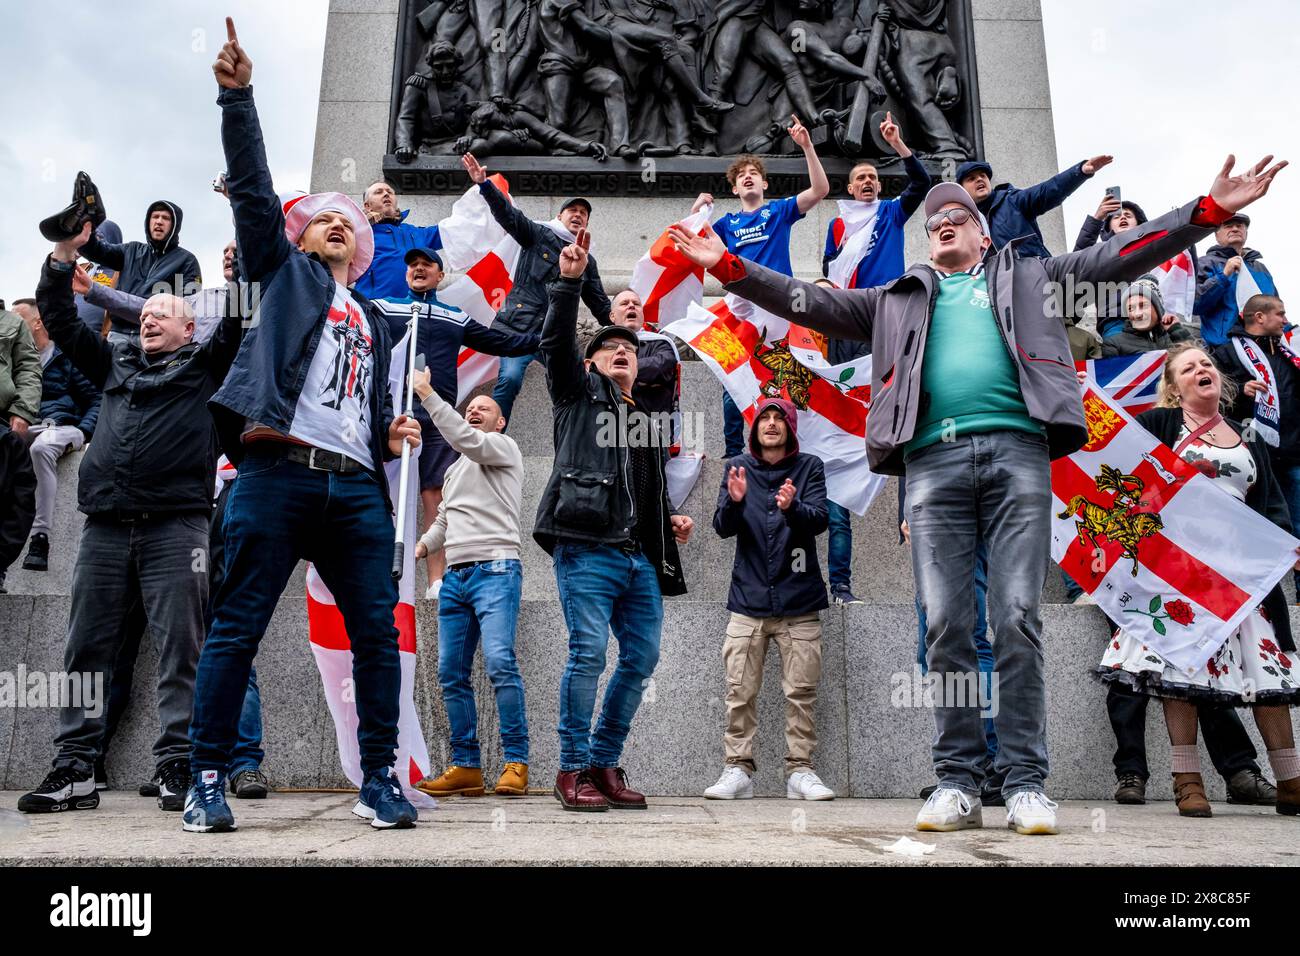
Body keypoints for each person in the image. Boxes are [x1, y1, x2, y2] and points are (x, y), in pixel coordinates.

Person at [670, 152, 1288, 836]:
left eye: (956, 215)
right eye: (933, 219)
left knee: (1017, 614)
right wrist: (728, 267)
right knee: (945, 625)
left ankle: (1026, 783)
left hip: (1018, 454)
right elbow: (807, 300)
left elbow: (1117, 256)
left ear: (984, 234)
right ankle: (958, 781)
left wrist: (1206, 212)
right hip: (932, 464)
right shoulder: (897, 298)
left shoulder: (1032, 277)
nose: (942, 223)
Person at [186, 18, 423, 834]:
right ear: (303, 236)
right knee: (237, 630)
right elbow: (254, 189)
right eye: (323, 217)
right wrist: (237, 95)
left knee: (378, 639)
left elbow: (375, 397)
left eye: (347, 223)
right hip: (275, 473)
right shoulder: (283, 275)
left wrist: (392, 433)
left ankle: (381, 779)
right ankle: (206, 777)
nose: (337, 224)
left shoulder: (379, 318)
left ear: (361, 250)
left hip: (354, 489)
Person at [15, 219, 243, 817]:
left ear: (189, 328)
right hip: (105, 527)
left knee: (181, 649)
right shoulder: (112, 363)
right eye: (144, 313)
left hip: (179, 528)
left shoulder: (206, 365)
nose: (148, 318)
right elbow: (60, 320)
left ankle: (177, 764)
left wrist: (239, 269)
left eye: (162, 313)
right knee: (85, 646)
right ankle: (74, 767)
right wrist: (64, 254)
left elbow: (241, 319)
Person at [1097, 342, 1300, 818]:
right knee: (1178, 677)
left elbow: (1271, 507)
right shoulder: (1157, 427)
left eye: (1206, 363)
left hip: (1239, 579)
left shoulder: (1249, 440)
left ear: (1219, 379)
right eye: (1188, 368)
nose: (1200, 369)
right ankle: (1187, 783)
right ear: (1173, 386)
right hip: (1175, 577)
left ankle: (1291, 781)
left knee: (1263, 678)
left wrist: (1287, 547)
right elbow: (1111, 463)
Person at [534, 227, 694, 812]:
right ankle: (570, 768)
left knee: (642, 658)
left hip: (638, 556)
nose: (623, 349)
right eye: (611, 346)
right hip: (586, 546)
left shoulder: (645, 419)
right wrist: (569, 282)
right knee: (587, 654)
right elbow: (554, 344)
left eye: (630, 345)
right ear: (593, 361)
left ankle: (604, 763)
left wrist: (669, 519)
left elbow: (644, 486)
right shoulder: (577, 393)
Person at [373, 246, 539, 598]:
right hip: (393, 413)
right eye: (413, 265)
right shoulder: (384, 307)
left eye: (426, 265)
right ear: (407, 275)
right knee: (380, 490)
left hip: (437, 416)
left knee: (436, 492)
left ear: (439, 274)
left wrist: (544, 341)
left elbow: (500, 342)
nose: (418, 269)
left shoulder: (455, 316)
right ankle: (373, 573)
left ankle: (436, 580)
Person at [820, 112, 929, 606]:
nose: (867, 183)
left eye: (872, 178)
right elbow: (829, 272)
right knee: (847, 414)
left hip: (887, 316)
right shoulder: (839, 224)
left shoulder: (890, 213)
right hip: (848, 320)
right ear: (848, 187)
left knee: (904, 417)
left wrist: (899, 145)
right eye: (859, 178)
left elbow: (922, 183)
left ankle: (910, 521)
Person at [704, 398, 834, 801]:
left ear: (790, 428)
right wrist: (736, 500)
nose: (773, 424)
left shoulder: (809, 466)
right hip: (748, 599)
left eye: (780, 418)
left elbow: (820, 520)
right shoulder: (737, 467)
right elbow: (722, 528)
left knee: (801, 692)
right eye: (766, 418)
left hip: (799, 600)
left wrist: (792, 507)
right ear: (755, 427)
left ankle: (800, 771)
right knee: (739, 690)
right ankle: (737, 770)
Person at [410, 373, 528, 799]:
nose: (474, 410)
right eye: (470, 408)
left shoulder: (500, 448)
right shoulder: (457, 468)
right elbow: (445, 517)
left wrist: (426, 393)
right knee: (450, 673)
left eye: (485, 409)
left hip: (497, 570)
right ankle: (466, 765)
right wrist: (421, 547)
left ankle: (517, 761)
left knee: (499, 662)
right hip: (456, 578)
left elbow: (463, 438)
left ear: (500, 424)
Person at [690, 117, 830, 458]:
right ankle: (734, 449)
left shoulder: (779, 211)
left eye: (753, 174)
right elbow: (695, 246)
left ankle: (793, 443)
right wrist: (696, 213)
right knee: (734, 373)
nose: (748, 177)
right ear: (735, 189)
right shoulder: (726, 224)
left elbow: (820, 191)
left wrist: (807, 147)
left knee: (786, 371)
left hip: (781, 302)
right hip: (743, 306)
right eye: (741, 177)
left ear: (764, 184)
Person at [460, 151, 612, 425]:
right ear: (560, 215)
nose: (578, 215)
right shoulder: (538, 234)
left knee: (581, 383)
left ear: (587, 223)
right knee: (510, 379)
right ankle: (492, 441)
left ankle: (576, 442)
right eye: (572, 211)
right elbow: (509, 216)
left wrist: (627, 329)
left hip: (555, 336)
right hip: (517, 329)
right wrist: (484, 185)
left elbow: (601, 304)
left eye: (583, 213)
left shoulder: (587, 261)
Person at [1212, 295, 1300, 590]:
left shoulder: (1290, 353)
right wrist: (1239, 389)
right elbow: (1213, 399)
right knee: (1256, 526)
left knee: (1298, 526)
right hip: (1251, 455)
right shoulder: (1226, 353)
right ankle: (1258, 591)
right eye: (1281, 314)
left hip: (1293, 453)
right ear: (1260, 317)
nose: (1285, 319)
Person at [10, 300, 100, 573]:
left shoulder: (66, 356)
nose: (10, 325)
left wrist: (84, 431)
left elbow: (96, 399)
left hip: (63, 427)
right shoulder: (12, 361)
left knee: (42, 448)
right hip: (26, 427)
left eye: (18, 318)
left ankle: (40, 538)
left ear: (37, 322)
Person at [75, 239, 240, 346]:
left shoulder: (253, 293)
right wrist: (93, 290)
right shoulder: (204, 298)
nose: (227, 256)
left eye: (235, 251)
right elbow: (152, 308)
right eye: (225, 251)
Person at [76, 198, 202, 333]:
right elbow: (96, 251)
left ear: (175, 225)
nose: (159, 221)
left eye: (166, 218)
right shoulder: (131, 250)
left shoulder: (186, 261)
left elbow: (188, 309)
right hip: (118, 335)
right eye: (155, 217)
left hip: (156, 335)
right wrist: (88, 220)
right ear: (148, 222)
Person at [956, 154, 1113, 259]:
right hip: (996, 293)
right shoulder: (964, 222)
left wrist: (1080, 172)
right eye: (971, 178)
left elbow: (1049, 190)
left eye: (983, 176)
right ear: (962, 188)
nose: (979, 180)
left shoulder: (1012, 201)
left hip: (1035, 280)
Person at [0, 301, 42, 592]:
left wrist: (23, 411)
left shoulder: (11, 323)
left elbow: (28, 366)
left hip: (1, 423)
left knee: (12, 496)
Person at [1196, 213, 1279, 346]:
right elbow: (1196, 304)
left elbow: (1276, 307)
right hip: (1226, 349)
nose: (1235, 229)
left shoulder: (1260, 268)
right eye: (1228, 226)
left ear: (1246, 233)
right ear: (1217, 235)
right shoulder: (1205, 263)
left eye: (1239, 226)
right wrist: (1223, 276)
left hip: (1267, 348)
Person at [353, 180, 443, 301]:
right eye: (378, 192)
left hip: (414, 311)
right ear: (367, 206)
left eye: (389, 192)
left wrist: (478, 187)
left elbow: (454, 230)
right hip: (374, 310)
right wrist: (360, 223)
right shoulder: (359, 233)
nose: (386, 194)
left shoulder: (416, 233)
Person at [608, 290, 679, 439]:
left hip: (653, 426)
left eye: (636, 304)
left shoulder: (661, 342)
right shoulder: (599, 344)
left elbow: (661, 366)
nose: (631, 306)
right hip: (610, 425)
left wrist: (617, 371)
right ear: (612, 316)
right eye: (624, 303)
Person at [1100, 282, 1193, 357]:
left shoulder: (1174, 336)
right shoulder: (1113, 345)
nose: (1137, 314)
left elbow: (1202, 362)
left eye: (1143, 305)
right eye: (1130, 309)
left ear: (1158, 309)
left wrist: (1177, 331)